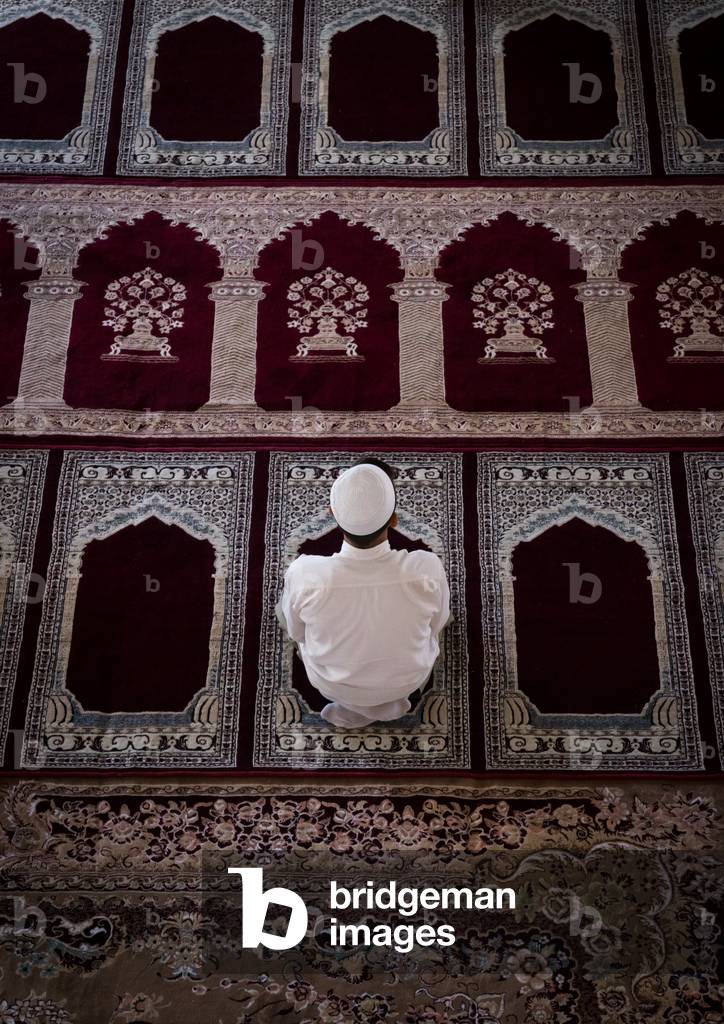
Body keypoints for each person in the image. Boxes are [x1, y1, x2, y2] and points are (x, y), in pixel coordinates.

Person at [276, 458, 451, 728]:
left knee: (285, 610)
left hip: (332, 685)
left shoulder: (305, 573)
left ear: (332, 514)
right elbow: (437, 624)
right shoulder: (426, 568)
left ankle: (356, 703)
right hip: (408, 682)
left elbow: (297, 633)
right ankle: (382, 700)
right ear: (394, 520)